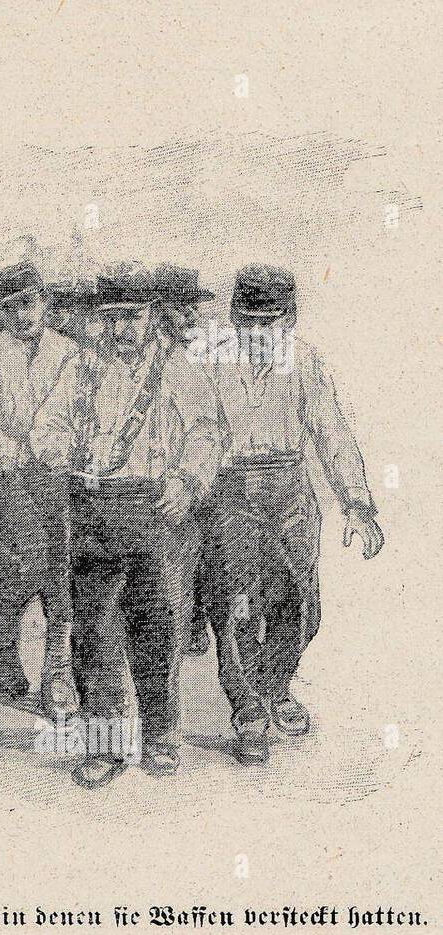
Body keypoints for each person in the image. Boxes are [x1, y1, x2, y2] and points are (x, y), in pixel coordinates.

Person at [31, 264, 224, 788]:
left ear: (152, 316)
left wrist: (186, 482)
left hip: (152, 509)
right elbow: (46, 429)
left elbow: (207, 433)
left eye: (132, 317)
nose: (121, 330)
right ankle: (105, 745)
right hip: (93, 509)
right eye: (111, 317)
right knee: (94, 636)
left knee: (155, 629)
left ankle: (160, 737)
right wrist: (63, 454)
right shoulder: (82, 367)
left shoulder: (179, 369)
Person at [197, 265, 384, 765]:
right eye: (245, 321)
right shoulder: (210, 364)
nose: (256, 334)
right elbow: (195, 435)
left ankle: (275, 686)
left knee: (302, 608)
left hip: (290, 495)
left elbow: (332, 432)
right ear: (233, 320)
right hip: (230, 492)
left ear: (290, 320)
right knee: (232, 609)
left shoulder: (304, 363)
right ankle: (249, 711)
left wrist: (358, 503)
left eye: (269, 322)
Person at [0, 261, 80, 716]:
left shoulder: (71, 354)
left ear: (44, 302)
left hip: (56, 486)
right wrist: (12, 454)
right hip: (4, 488)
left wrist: (55, 451)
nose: (22, 316)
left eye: (28, 304)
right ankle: (6, 658)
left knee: (60, 585)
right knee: (7, 585)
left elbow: (81, 415)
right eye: (10, 309)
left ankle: (56, 675)